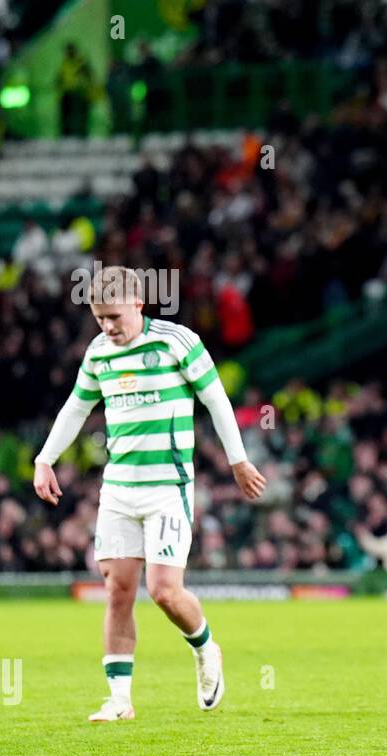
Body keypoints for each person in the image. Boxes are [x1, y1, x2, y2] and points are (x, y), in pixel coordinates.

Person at [33, 266, 267, 721]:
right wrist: (45, 458)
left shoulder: (175, 342)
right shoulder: (99, 353)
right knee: (117, 589)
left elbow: (217, 399)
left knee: (163, 591)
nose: (108, 327)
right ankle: (119, 699)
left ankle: (205, 649)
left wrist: (238, 460)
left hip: (167, 488)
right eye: (100, 318)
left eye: (115, 317)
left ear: (139, 304)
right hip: (119, 489)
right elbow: (76, 408)